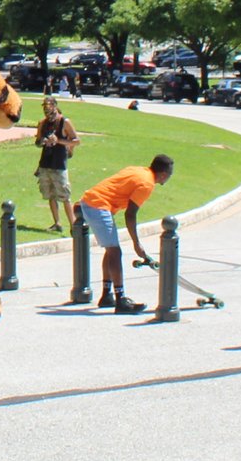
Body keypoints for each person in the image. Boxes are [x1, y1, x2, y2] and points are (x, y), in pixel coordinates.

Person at [76, 157, 175, 313]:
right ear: (163, 174)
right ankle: (120, 300)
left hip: (93, 201)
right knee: (115, 252)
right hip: (98, 205)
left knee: (111, 250)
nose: (169, 177)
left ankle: (107, 295)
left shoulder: (138, 170)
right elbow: (130, 215)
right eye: (169, 174)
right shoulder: (146, 184)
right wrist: (137, 243)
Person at [32, 95, 78, 233]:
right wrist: (44, 141)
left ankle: (73, 224)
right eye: (45, 108)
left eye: (50, 107)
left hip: (59, 163)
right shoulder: (43, 123)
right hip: (45, 162)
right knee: (50, 194)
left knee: (65, 196)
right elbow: (37, 142)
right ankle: (57, 222)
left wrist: (59, 141)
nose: (47, 110)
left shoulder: (64, 122)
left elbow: (76, 141)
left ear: (55, 106)